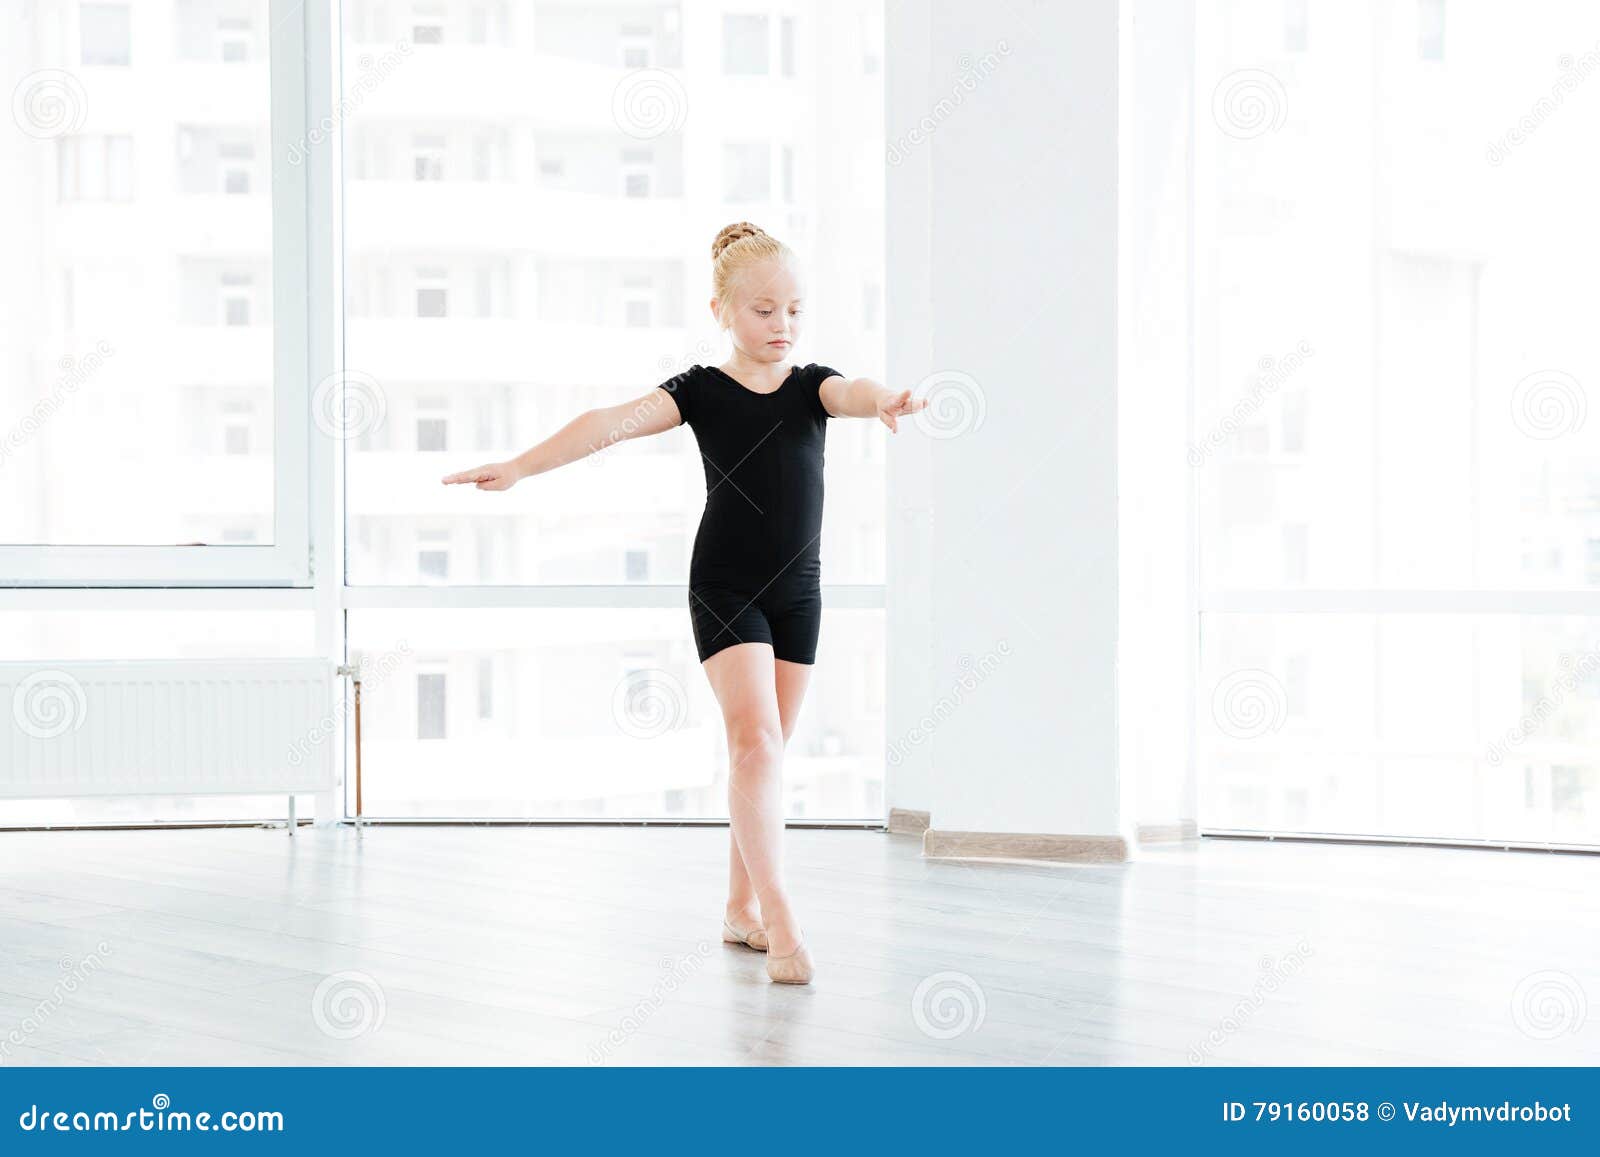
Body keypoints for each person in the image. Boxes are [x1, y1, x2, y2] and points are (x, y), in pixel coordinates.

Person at [443, 221, 925, 984]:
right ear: (721, 310)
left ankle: (739, 908)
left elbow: (854, 392)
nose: (783, 324)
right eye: (763, 310)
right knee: (755, 743)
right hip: (725, 587)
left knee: (762, 756)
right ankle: (783, 922)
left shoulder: (812, 386)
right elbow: (606, 424)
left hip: (799, 594)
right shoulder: (701, 390)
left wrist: (886, 398)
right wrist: (520, 466)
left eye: (794, 309)